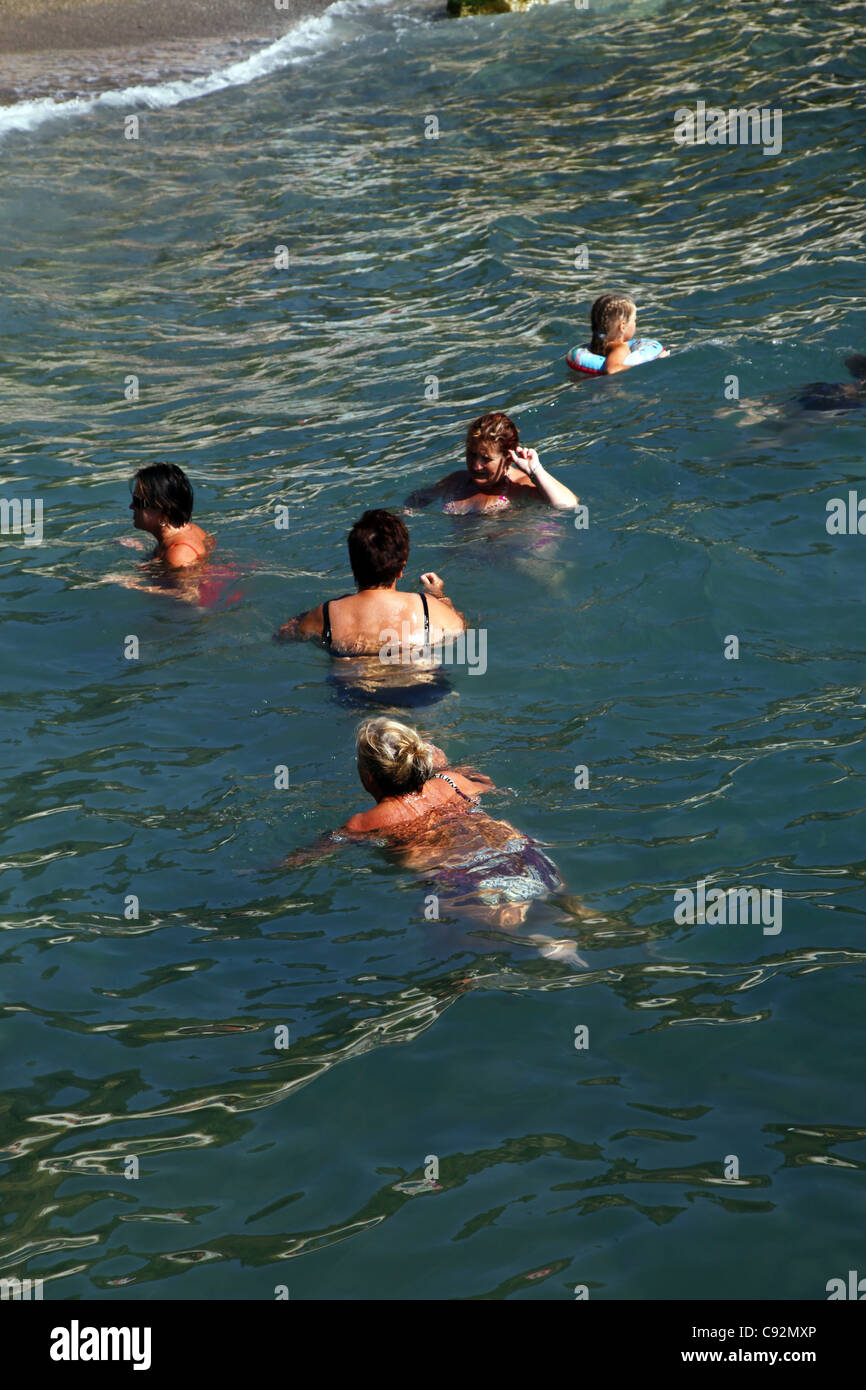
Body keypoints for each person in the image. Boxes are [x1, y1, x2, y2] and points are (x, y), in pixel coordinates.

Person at [288, 718, 585, 962]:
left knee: (432, 926)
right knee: (546, 890)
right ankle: (582, 915)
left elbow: (320, 850)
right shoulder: (452, 782)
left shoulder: (367, 822)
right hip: (518, 852)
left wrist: (279, 865)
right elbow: (489, 786)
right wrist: (442, 771)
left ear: (367, 777)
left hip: (465, 880)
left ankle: (531, 942)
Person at [275, 509, 466, 658]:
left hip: (356, 694)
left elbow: (283, 635)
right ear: (402, 567)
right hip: (420, 690)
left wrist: (306, 615)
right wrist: (438, 595)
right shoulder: (427, 606)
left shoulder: (326, 613)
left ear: (353, 564)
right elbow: (460, 626)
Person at [405, 412, 578, 515]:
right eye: (471, 454)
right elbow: (416, 501)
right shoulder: (457, 481)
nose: (475, 465)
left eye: (486, 459)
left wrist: (536, 471)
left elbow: (568, 506)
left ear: (508, 459)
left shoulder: (520, 487)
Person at [129, 463, 211, 568]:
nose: (131, 506)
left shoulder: (178, 556)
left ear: (166, 512)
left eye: (138, 502)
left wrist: (131, 583)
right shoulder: (192, 529)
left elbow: (190, 584)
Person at [586, 292, 668, 375]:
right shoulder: (620, 349)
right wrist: (653, 361)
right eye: (634, 320)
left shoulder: (598, 343)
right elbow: (612, 369)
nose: (635, 324)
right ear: (622, 326)